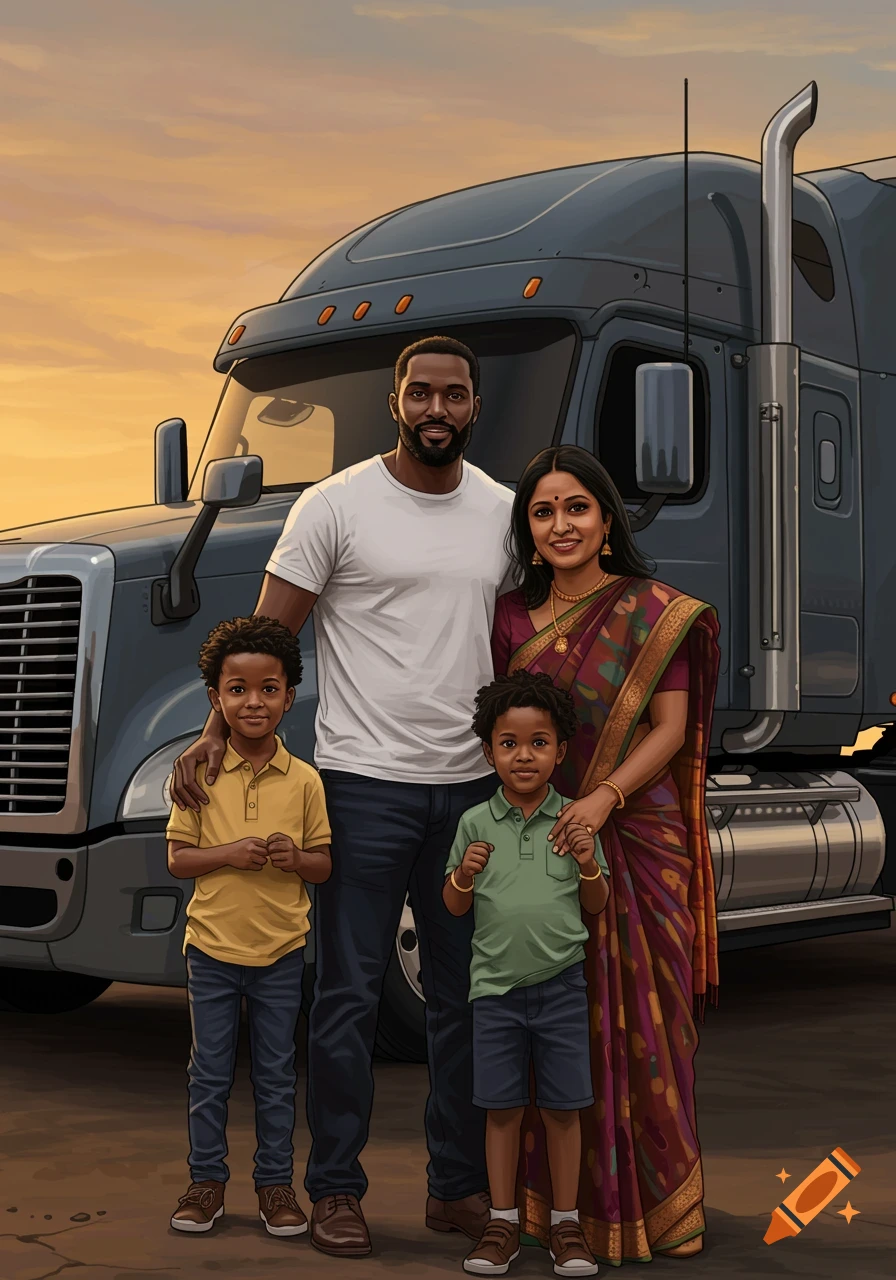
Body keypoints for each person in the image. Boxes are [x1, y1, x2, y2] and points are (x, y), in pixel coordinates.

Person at [169, 335, 514, 1257]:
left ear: (473, 406)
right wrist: (211, 734)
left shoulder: (501, 512)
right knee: (348, 1000)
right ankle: (335, 1192)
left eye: (453, 394)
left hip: (470, 793)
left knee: (462, 1000)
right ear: (396, 402)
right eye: (420, 393)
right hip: (362, 787)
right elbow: (267, 639)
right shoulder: (335, 505)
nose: (436, 409)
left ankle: (456, 1190)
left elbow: (525, 639)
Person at [490, 445, 721, 1264]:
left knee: (651, 1028)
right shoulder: (510, 617)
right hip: (543, 842)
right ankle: (555, 1212)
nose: (562, 524)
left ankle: (660, 1208)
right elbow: (507, 731)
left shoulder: (656, 612)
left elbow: (669, 727)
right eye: (543, 511)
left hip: (636, 834)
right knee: (552, 1029)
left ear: (607, 519)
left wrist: (602, 799)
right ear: (527, 529)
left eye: (577, 507)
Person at [166, 616, 332, 1238]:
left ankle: (275, 1186)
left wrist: (297, 859)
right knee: (209, 1073)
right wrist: (230, 854)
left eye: (268, 689)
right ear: (216, 698)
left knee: (276, 1075)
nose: (253, 702)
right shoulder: (196, 774)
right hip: (210, 950)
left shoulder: (306, 780)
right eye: (237, 689)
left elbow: (324, 864)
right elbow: (178, 860)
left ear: (290, 696)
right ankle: (206, 1183)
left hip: (281, 952)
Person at [444, 671, 610, 1277]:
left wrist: (588, 862)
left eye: (538, 743)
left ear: (560, 752)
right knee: (502, 1110)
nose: (523, 756)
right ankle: (502, 1224)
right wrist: (464, 873)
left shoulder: (574, 821)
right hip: (494, 991)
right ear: (489, 752)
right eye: (508, 743)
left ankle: (566, 1225)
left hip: (562, 987)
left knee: (564, 1110)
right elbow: (453, 906)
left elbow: (596, 905)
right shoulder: (474, 823)